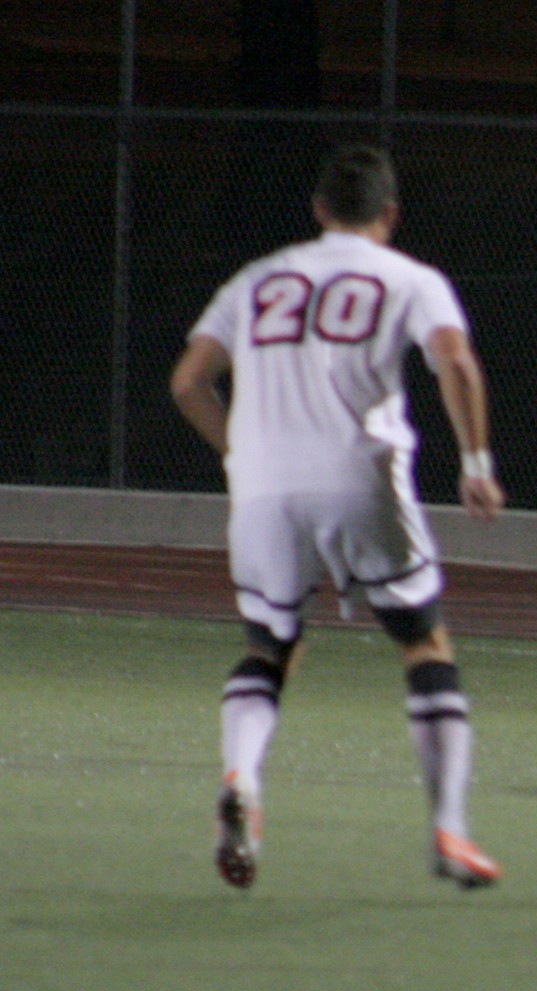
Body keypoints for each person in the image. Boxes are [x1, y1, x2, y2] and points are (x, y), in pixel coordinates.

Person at [170, 144, 505, 889]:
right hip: (359, 474)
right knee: (424, 644)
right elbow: (455, 362)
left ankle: (241, 776)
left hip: (262, 488)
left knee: (268, 645)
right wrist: (476, 463)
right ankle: (449, 829)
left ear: (318, 211)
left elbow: (189, 380)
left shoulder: (256, 279)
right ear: (390, 215)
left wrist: (241, 455)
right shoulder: (411, 278)